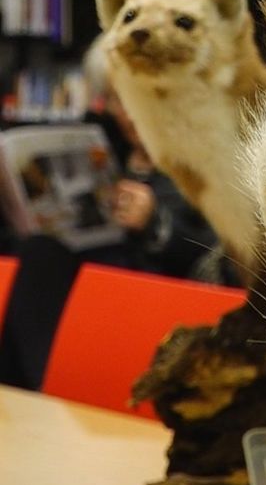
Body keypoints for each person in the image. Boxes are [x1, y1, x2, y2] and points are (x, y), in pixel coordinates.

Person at [0, 90, 229, 390]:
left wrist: (154, 222)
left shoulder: (197, 168)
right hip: (78, 276)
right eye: (119, 100)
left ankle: (45, 388)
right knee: (37, 251)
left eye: (140, 98)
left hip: (144, 290)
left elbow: (215, 257)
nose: (130, 113)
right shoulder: (106, 146)